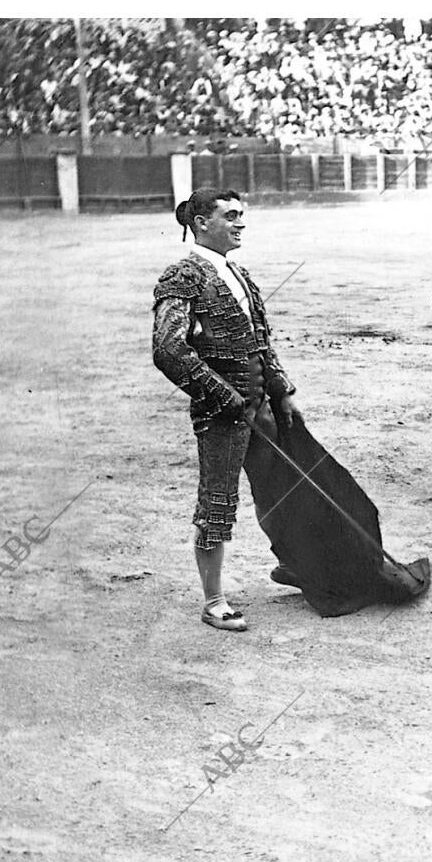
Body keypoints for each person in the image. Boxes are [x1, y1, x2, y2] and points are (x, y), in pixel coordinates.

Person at [152, 186, 298, 631]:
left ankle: (295, 562)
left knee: (283, 486)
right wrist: (224, 397)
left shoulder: (239, 273)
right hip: (222, 414)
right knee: (217, 502)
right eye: (231, 215)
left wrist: (281, 388)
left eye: (241, 216)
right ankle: (214, 600)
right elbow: (168, 349)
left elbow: (259, 340)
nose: (241, 223)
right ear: (201, 223)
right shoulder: (183, 276)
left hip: (260, 404)